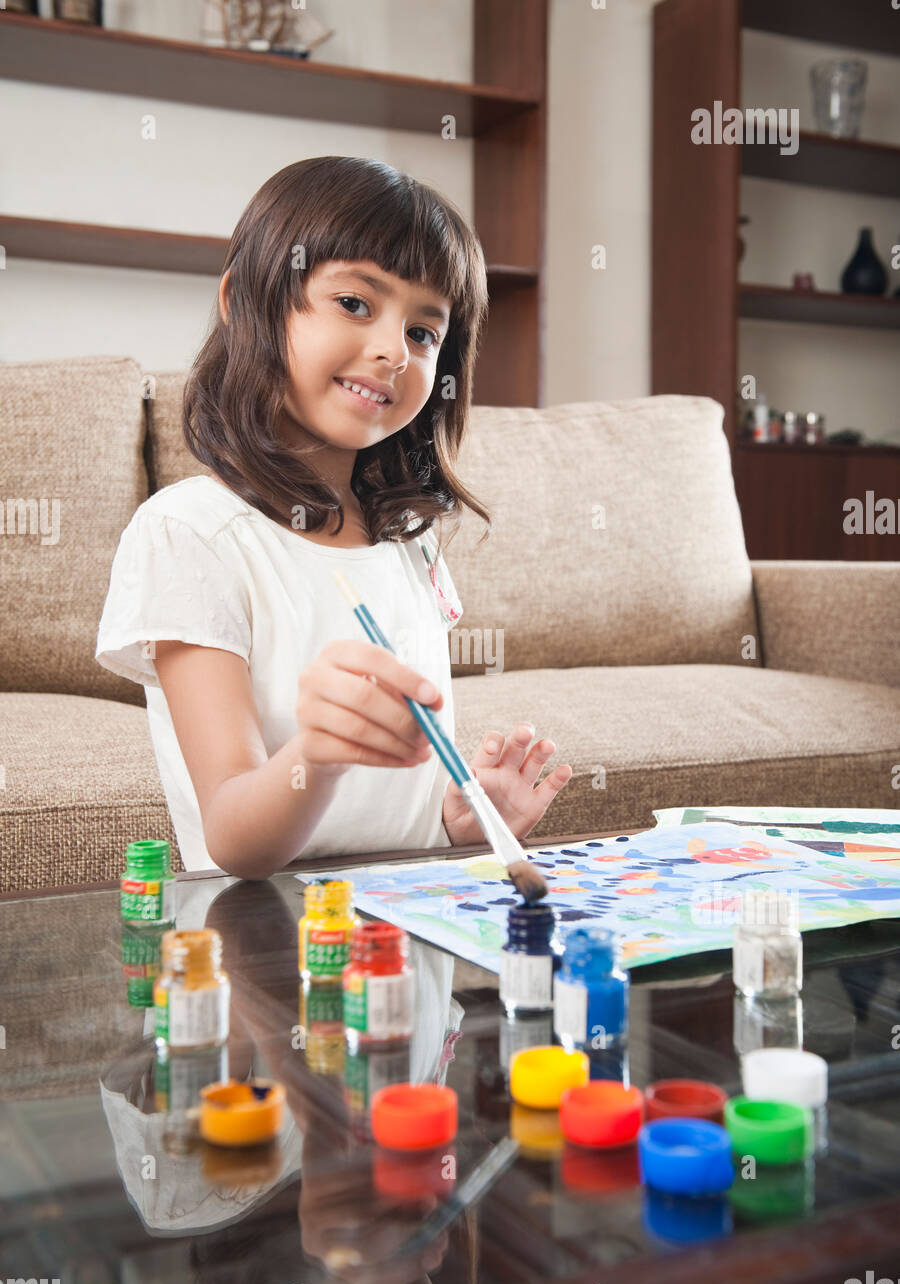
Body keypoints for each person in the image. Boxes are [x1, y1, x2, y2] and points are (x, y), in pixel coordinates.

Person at [96, 156, 572, 877]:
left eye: (422, 332)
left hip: (404, 935)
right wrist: (312, 760)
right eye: (355, 304)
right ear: (244, 302)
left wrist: (454, 820)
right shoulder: (189, 535)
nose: (390, 350)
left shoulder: (410, 543)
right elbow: (234, 837)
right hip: (268, 944)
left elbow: (395, 807)